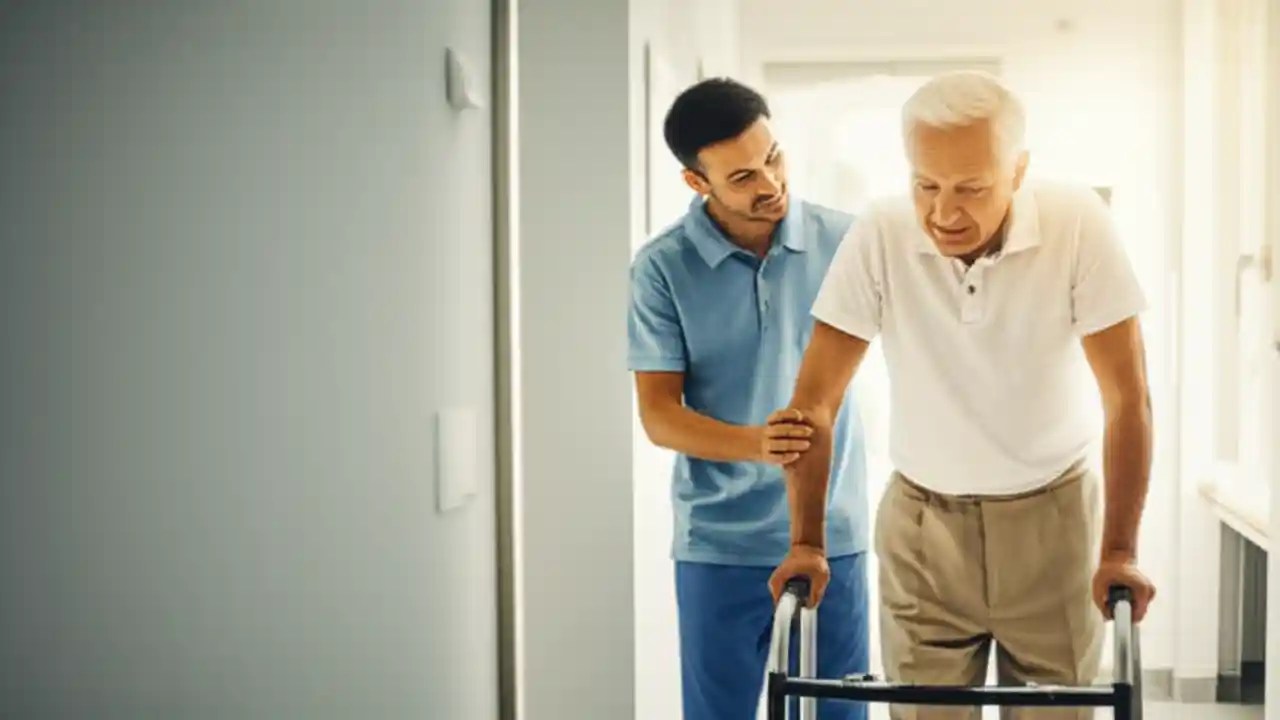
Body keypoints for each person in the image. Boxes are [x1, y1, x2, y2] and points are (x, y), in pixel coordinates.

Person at [767, 70, 1158, 720]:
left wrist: (1119, 550)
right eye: (926, 185)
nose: (944, 214)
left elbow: (1127, 397)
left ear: (1018, 170)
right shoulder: (882, 230)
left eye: (971, 188)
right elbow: (815, 404)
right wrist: (805, 540)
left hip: (1053, 524)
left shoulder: (1076, 222)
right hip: (924, 530)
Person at [628, 77, 870, 720]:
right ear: (696, 182)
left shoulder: (848, 241)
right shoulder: (661, 268)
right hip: (718, 543)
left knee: (838, 714)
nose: (770, 184)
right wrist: (760, 445)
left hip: (833, 533)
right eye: (742, 177)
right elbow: (659, 415)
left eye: (774, 158)